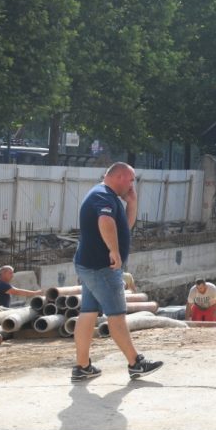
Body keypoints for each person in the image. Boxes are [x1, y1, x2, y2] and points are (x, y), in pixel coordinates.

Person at [71, 162, 163, 382]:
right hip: (103, 267)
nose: (132, 185)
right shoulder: (103, 196)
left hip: (90, 264)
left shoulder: (105, 195)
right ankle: (135, 363)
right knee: (116, 315)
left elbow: (124, 227)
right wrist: (113, 250)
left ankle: (82, 367)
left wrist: (132, 202)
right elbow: (105, 221)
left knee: (88, 313)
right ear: (120, 177)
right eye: (131, 180)